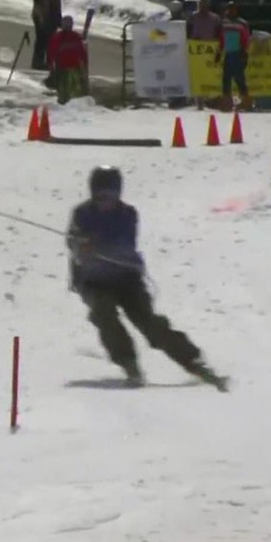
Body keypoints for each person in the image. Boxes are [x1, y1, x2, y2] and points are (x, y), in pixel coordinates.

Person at [67, 166, 229, 391]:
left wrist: (97, 244)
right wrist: (79, 245)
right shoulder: (82, 214)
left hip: (127, 278)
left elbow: (123, 242)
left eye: (111, 196)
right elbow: (72, 240)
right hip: (94, 281)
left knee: (149, 323)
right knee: (104, 315)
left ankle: (193, 361)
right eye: (101, 196)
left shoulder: (128, 214)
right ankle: (128, 363)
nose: (106, 201)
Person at [215, 2, 252, 111]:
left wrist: (244, 51)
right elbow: (222, 38)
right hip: (228, 53)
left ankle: (246, 101)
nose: (231, 11)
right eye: (229, 9)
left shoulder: (242, 23)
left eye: (233, 9)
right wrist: (219, 52)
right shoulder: (223, 23)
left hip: (238, 53)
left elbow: (246, 38)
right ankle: (227, 102)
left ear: (236, 10)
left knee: (239, 78)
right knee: (226, 78)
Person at [187, 0, 222, 110]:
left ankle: (211, 99)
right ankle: (199, 102)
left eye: (205, 5)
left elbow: (219, 33)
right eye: (200, 5)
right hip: (196, 52)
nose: (202, 7)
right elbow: (188, 32)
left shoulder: (215, 18)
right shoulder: (193, 17)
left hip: (210, 50)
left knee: (210, 74)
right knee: (197, 75)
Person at [47, 15, 88, 105]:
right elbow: (51, 54)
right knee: (66, 90)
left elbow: (82, 54)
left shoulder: (75, 37)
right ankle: (65, 105)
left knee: (71, 90)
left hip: (72, 69)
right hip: (63, 69)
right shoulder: (58, 38)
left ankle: (68, 105)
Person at [31, 0, 62, 71]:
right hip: (43, 20)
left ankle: (45, 62)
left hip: (50, 21)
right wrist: (40, 19)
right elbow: (39, 7)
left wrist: (58, 21)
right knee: (42, 41)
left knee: (48, 42)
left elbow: (57, 10)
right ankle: (38, 62)